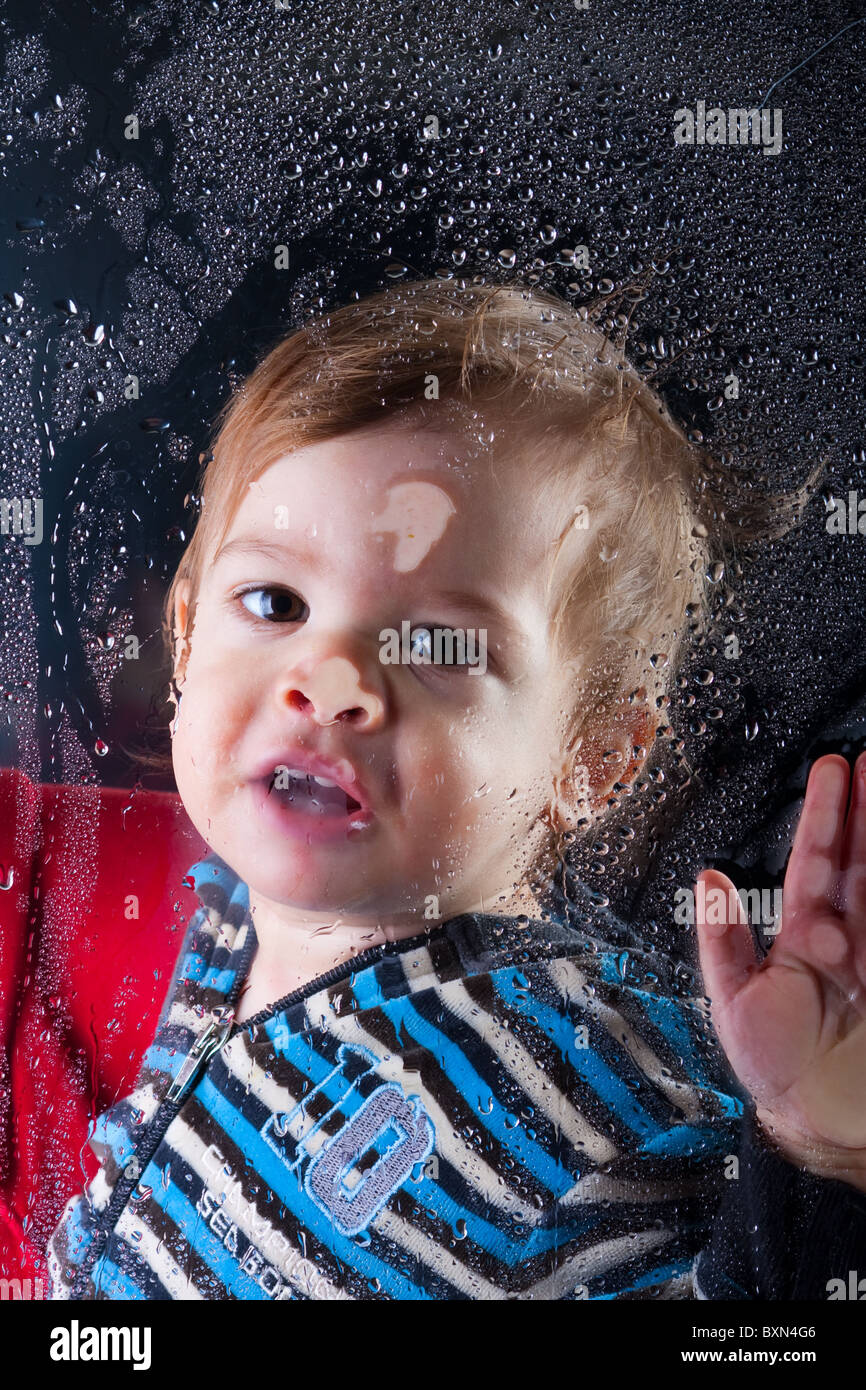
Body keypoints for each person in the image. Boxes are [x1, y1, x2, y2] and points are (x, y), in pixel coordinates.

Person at [31, 278, 866, 1297]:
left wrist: (810, 1152)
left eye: (436, 644)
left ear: (591, 758)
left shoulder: (576, 1076)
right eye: (275, 600)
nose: (328, 681)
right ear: (188, 630)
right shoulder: (232, 911)